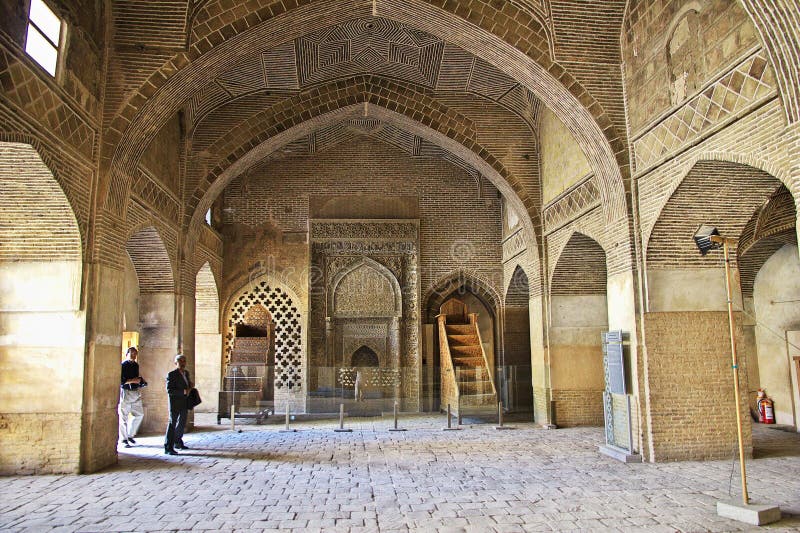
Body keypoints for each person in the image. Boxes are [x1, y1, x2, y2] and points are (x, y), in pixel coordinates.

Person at [164, 354, 193, 455]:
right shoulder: (171, 374)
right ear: (176, 363)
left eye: (184, 361)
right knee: (172, 424)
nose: (182, 363)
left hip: (184, 402)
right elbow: (169, 390)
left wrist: (190, 387)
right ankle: (168, 447)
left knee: (182, 423)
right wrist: (184, 392)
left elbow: (188, 385)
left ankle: (178, 441)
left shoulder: (186, 373)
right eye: (180, 361)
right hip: (175, 403)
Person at [119, 347, 146, 448]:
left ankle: (130, 435)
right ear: (127, 354)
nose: (134, 355)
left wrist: (140, 382)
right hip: (125, 392)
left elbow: (136, 378)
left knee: (139, 414)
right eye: (132, 353)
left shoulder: (135, 365)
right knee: (123, 417)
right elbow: (122, 381)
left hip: (135, 392)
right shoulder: (123, 365)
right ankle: (123, 439)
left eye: (135, 354)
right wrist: (134, 380)